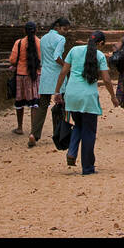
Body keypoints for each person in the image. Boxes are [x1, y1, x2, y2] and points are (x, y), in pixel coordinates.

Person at [56, 31, 118, 174]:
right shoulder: (100, 56)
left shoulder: (74, 50)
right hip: (88, 98)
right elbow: (107, 80)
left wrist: (57, 91)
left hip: (71, 95)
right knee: (89, 132)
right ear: (101, 43)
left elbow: (63, 72)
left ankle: (72, 151)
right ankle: (88, 167)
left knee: (78, 124)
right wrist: (113, 97)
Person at [30, 17, 70, 148]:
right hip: (57, 75)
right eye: (65, 29)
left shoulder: (44, 38)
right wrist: (65, 65)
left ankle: (34, 134)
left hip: (46, 75)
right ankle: (60, 133)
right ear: (58, 27)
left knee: (42, 106)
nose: (66, 32)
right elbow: (56, 56)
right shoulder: (60, 39)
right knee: (62, 103)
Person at [8, 21, 42, 135]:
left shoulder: (19, 43)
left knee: (20, 102)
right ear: (36, 30)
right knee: (34, 102)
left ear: (24, 31)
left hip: (21, 75)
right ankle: (33, 129)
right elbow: (42, 59)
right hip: (34, 75)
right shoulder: (40, 43)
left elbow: (12, 60)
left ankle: (20, 127)